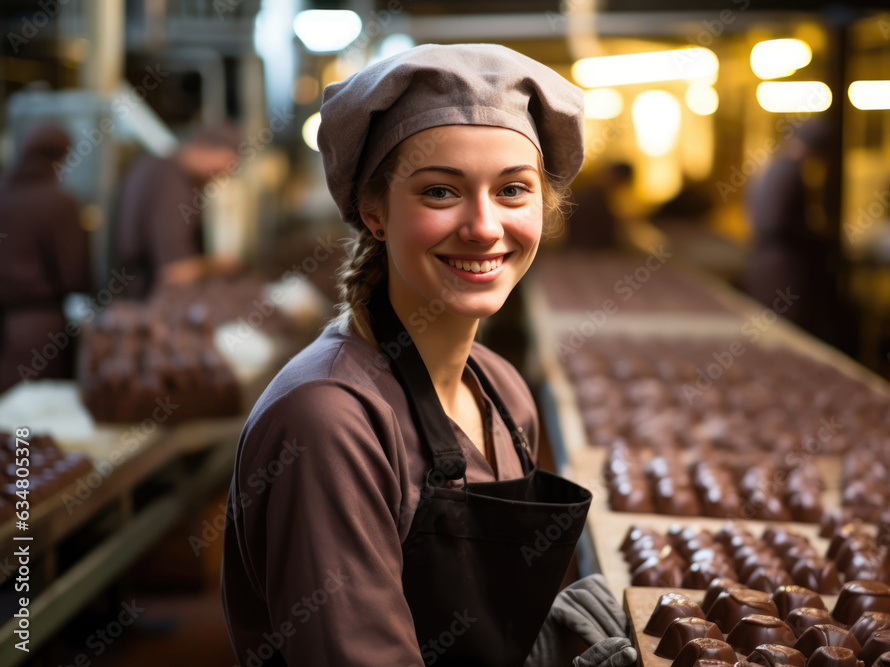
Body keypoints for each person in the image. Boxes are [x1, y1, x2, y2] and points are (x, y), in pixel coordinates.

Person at [221, 44, 637, 667]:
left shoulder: (501, 391)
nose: (484, 226)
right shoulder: (329, 423)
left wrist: (538, 644)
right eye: (441, 191)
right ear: (374, 212)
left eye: (513, 190)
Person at [0, 123, 90, 393]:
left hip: (11, 320)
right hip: (36, 326)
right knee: (31, 413)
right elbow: (74, 276)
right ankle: (25, 439)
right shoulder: (59, 203)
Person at [115, 124, 241, 299]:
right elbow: (175, 272)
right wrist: (220, 265)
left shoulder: (155, 167)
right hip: (149, 303)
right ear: (203, 147)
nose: (221, 178)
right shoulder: (171, 182)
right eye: (220, 170)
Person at [743, 120, 833, 335]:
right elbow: (774, 223)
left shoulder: (773, 166)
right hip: (781, 267)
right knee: (787, 334)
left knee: (774, 336)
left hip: (765, 262)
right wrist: (818, 239)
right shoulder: (789, 172)